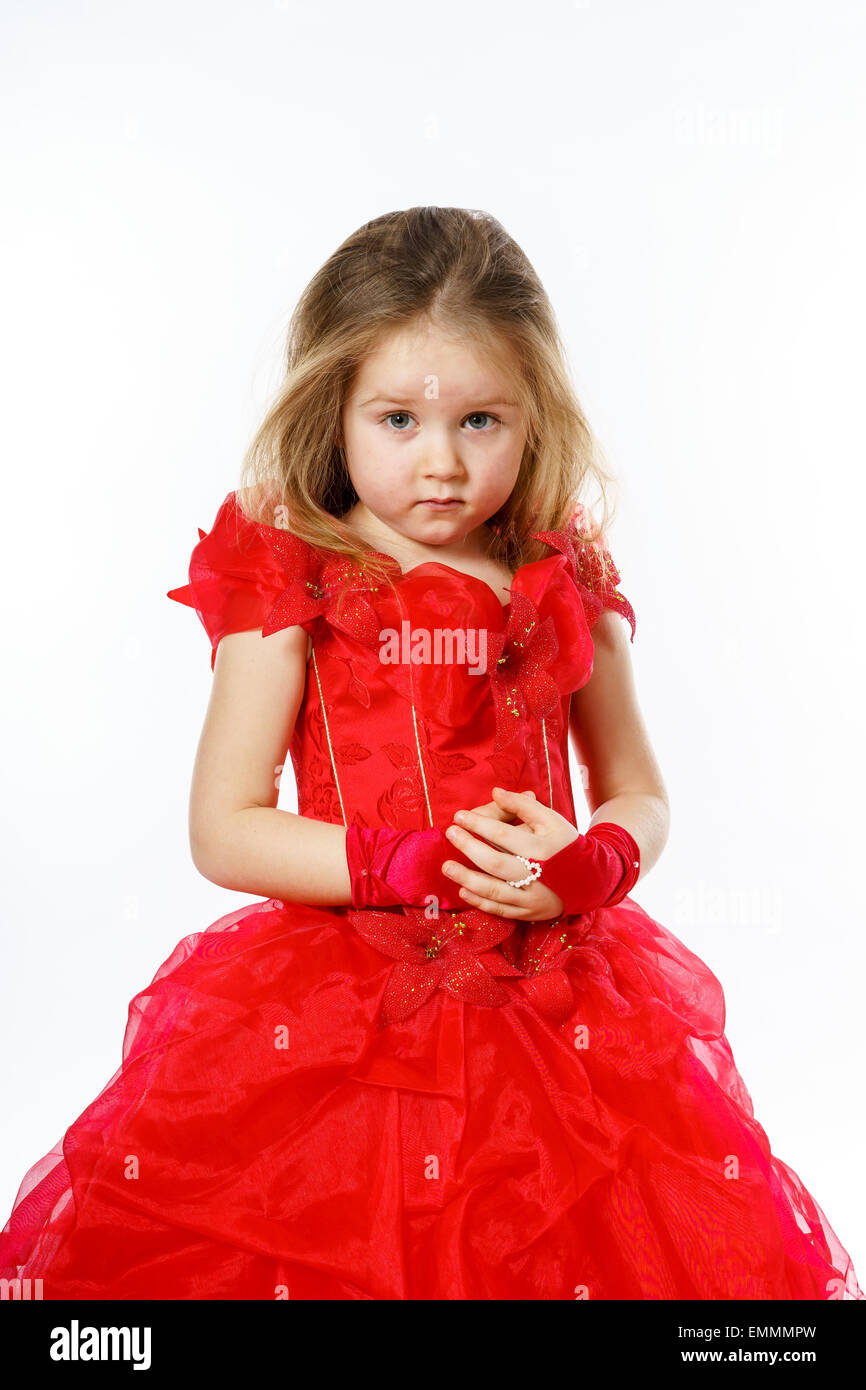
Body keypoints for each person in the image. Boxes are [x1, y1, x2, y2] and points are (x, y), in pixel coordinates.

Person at [0, 206, 860, 1300]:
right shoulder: (289, 584)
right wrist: (396, 863)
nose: (441, 463)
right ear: (336, 409)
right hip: (340, 1010)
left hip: (559, 1008)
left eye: (481, 421)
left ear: (532, 414)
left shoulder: (564, 582)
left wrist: (593, 863)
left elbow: (635, 787)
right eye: (398, 418)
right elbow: (224, 826)